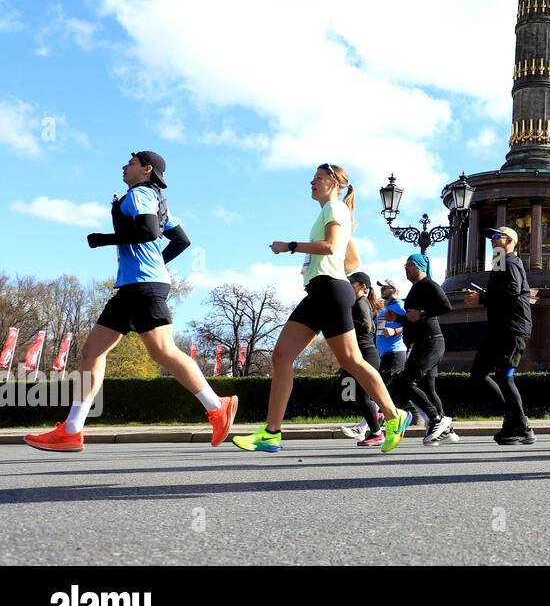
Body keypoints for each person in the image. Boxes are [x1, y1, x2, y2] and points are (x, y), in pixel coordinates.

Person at [26, 151, 238, 453]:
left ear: (146, 169)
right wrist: (158, 265)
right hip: (133, 286)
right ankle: (72, 429)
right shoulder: (156, 199)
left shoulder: (140, 194)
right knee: (92, 352)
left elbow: (148, 231)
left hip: (142, 287)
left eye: (131, 163)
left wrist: (103, 239)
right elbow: (181, 240)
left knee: (163, 351)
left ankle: (218, 406)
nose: (124, 166)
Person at [234, 164, 410, 453]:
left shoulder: (334, 208)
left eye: (317, 178)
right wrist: (329, 262)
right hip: (319, 290)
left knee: (353, 360)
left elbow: (329, 246)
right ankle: (271, 433)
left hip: (329, 290)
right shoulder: (334, 212)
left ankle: (394, 415)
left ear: (333, 182)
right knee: (281, 356)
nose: (311, 182)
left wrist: (289, 246)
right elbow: (351, 260)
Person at [465, 227, 534, 444]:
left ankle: (522, 427)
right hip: (497, 329)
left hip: (512, 329)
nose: (493, 241)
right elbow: (499, 290)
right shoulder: (498, 262)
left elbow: (512, 291)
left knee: (504, 377)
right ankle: (512, 420)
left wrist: (482, 299)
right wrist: (483, 295)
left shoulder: (512, 262)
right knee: (478, 374)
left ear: (511, 241)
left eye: (498, 237)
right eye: (491, 237)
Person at [396, 253, 454, 445]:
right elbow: (413, 317)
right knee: (428, 387)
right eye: (405, 265)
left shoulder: (429, 285)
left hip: (430, 341)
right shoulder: (415, 288)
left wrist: (422, 313)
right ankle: (448, 431)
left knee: (406, 382)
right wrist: (397, 319)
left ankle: (436, 419)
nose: (406, 268)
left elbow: (446, 306)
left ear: (420, 267)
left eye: (409, 265)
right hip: (423, 342)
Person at [339, 271, 385, 446]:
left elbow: (366, 326)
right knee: (345, 393)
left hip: (366, 354)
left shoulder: (361, 302)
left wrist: (346, 320)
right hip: (357, 355)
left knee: (360, 396)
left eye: (353, 283)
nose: (349, 285)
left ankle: (376, 432)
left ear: (363, 287)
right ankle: (378, 414)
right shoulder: (355, 303)